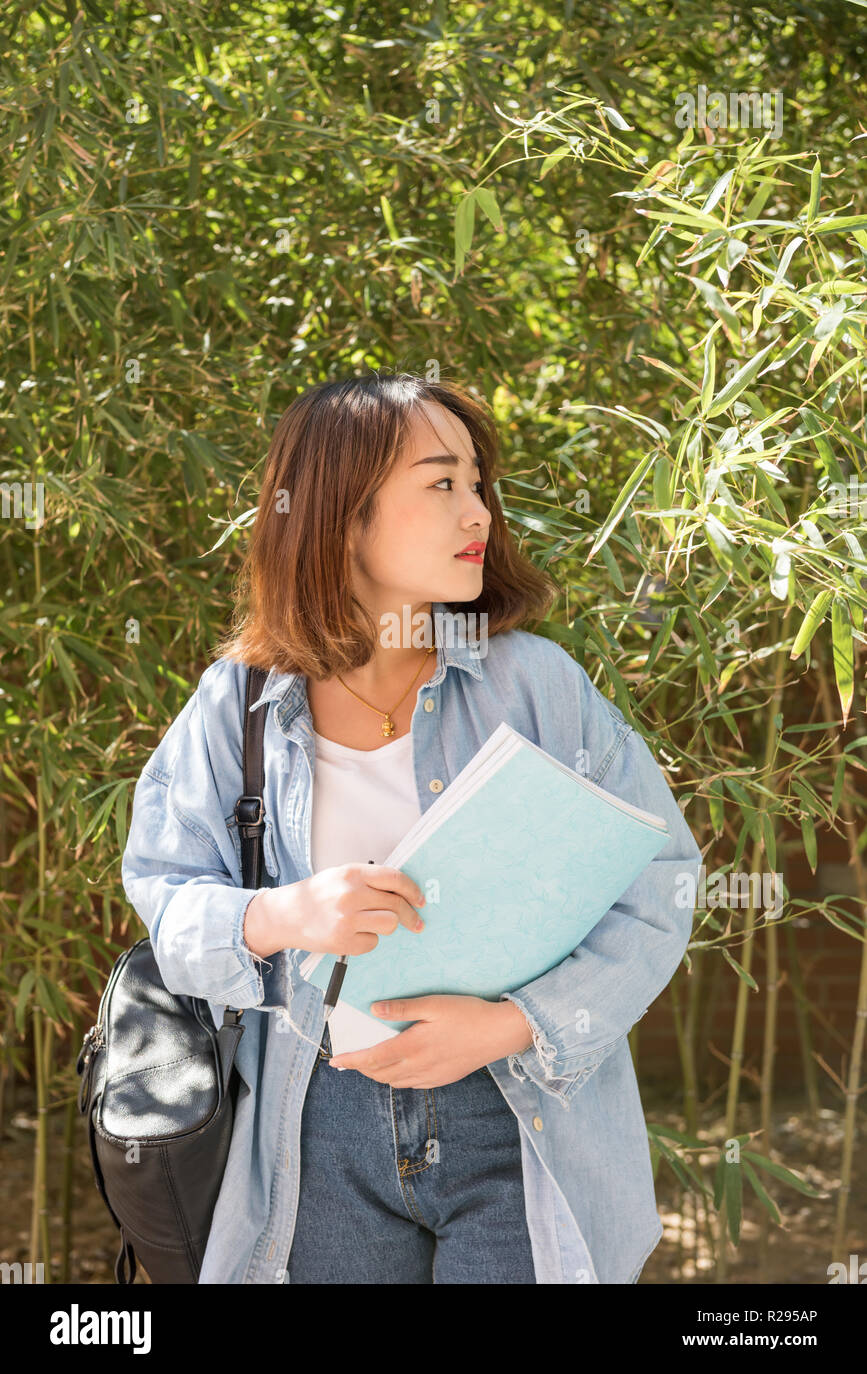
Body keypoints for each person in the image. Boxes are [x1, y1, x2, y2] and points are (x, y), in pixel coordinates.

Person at [121, 371, 702, 1284]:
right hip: (311, 1129)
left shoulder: (535, 687)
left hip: (517, 1116)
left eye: (478, 484)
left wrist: (511, 1025)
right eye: (441, 483)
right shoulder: (235, 705)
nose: (477, 513)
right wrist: (285, 915)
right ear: (337, 510)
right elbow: (167, 908)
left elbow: (660, 887)